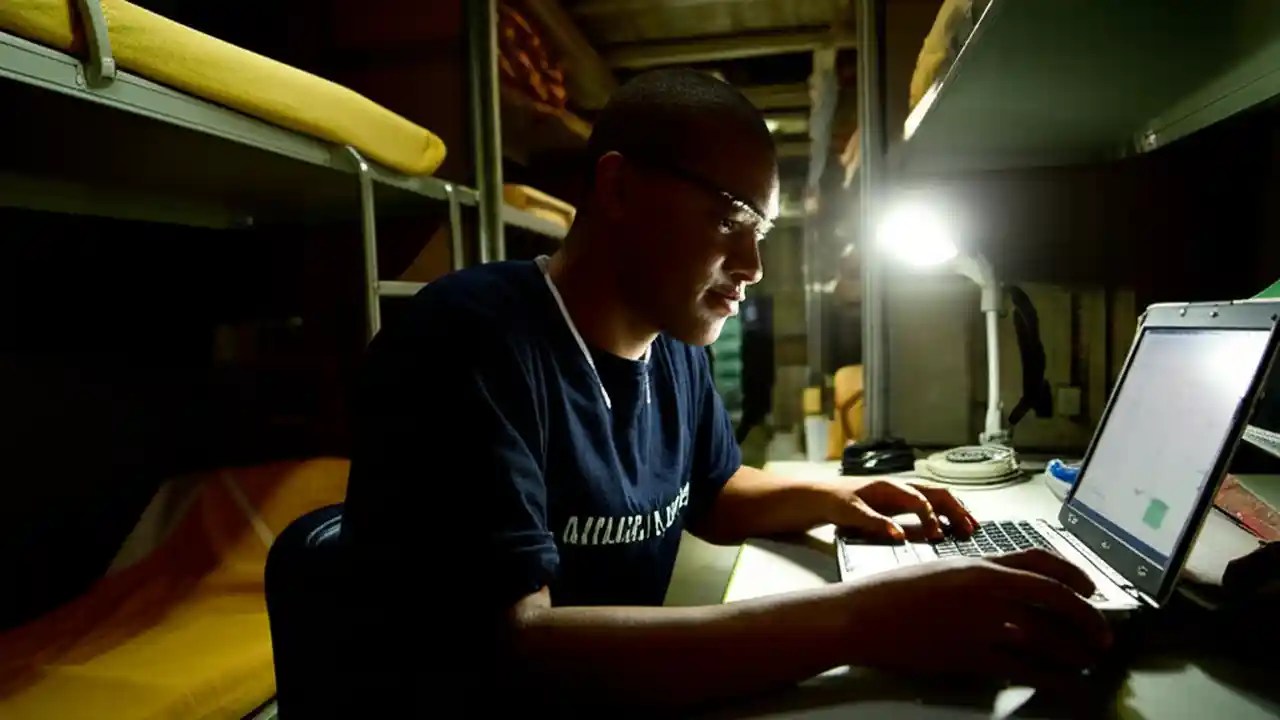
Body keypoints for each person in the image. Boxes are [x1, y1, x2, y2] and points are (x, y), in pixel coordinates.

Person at [340, 68, 1111, 713]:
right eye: (729, 219)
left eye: (761, 232)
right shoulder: (467, 341)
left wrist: (842, 498)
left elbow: (711, 490)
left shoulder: (672, 344)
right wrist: (865, 619)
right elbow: (518, 650)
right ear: (619, 187)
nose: (753, 266)